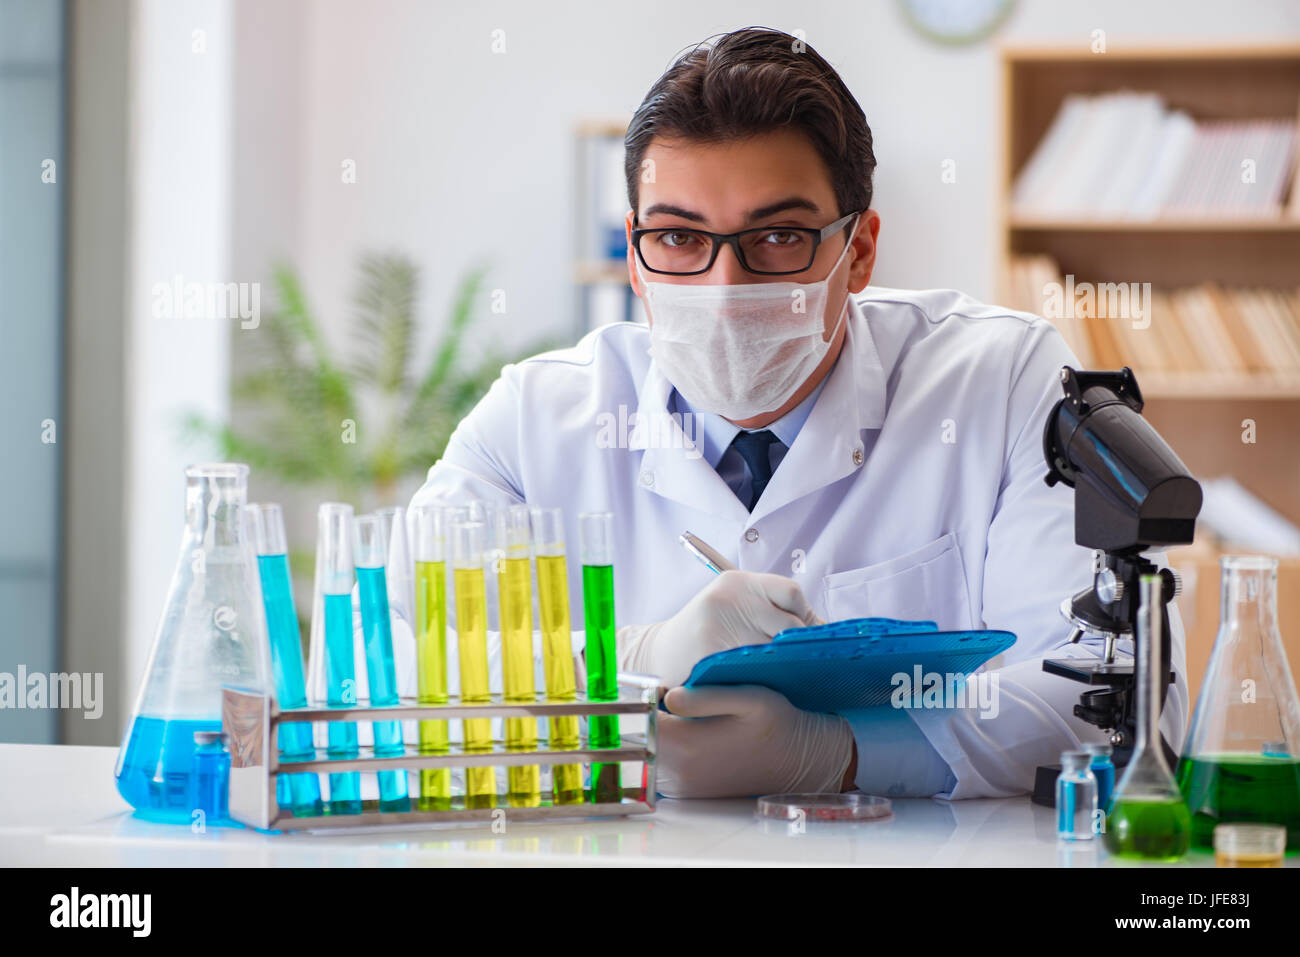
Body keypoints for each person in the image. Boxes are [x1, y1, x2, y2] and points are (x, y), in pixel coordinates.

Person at [404, 26, 1188, 799]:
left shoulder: (1005, 381)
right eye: (678, 237)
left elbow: (1115, 697)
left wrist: (843, 753)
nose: (722, 287)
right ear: (635, 260)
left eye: (778, 236)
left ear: (860, 252)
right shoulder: (530, 422)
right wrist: (638, 655)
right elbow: (402, 661)